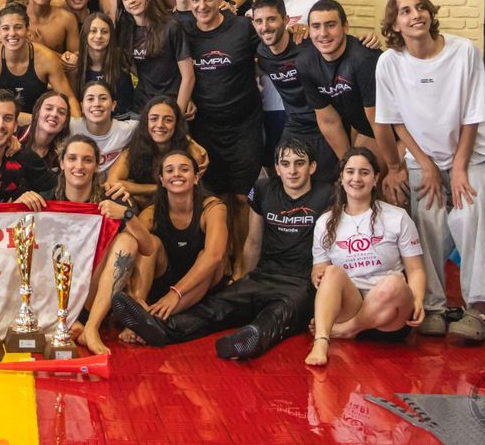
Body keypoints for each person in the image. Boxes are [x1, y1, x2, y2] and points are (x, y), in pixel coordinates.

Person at [111, 138, 334, 360]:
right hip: (263, 275)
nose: (292, 170)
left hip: (300, 282)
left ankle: (250, 340)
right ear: (276, 168)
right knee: (217, 306)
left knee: (278, 313)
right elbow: (253, 242)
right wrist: (245, 279)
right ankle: (162, 329)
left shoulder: (327, 195)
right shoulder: (262, 189)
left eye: (300, 163)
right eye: (285, 164)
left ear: (312, 167)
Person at [375, 0, 485, 342]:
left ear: (430, 14)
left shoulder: (464, 51)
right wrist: (425, 164)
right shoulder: (389, 62)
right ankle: (432, 305)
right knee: (427, 219)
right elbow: (394, 120)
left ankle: (476, 307)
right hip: (423, 154)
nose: (415, 15)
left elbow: (472, 116)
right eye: (405, 11)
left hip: (472, 150)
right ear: (395, 24)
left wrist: (458, 168)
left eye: (420, 8)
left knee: (468, 214)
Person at [87, 151, 229, 355]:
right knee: (148, 243)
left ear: (196, 177)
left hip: (200, 283)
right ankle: (138, 312)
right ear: (162, 180)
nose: (177, 174)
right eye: (170, 170)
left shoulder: (213, 207)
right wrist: (133, 295)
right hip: (164, 280)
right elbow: (132, 249)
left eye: (184, 169)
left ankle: (153, 319)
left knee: (207, 259)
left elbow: (215, 255)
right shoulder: (152, 212)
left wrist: (175, 294)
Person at [305, 148, 426, 366]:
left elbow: (415, 269)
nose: (356, 178)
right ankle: (321, 342)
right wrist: (318, 276)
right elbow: (319, 268)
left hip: (389, 315)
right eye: (350, 172)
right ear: (341, 178)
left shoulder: (397, 217)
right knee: (332, 272)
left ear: (375, 178)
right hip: (349, 306)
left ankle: (346, 330)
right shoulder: (325, 222)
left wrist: (417, 300)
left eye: (364, 172)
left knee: (394, 284)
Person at [297, 0, 408, 203]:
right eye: (316, 26)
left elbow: (379, 121)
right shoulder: (305, 62)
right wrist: (347, 165)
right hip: (369, 129)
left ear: (345, 27)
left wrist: (394, 168)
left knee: (392, 190)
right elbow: (329, 120)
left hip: (403, 129)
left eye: (331, 25)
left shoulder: (364, 58)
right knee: (354, 186)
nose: (323, 34)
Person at [183, 0, 263, 210]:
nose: (202, 5)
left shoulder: (243, 27)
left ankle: (243, 248)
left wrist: (300, 31)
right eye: (196, 0)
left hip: (244, 127)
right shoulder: (183, 32)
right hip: (205, 128)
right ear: (188, 2)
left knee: (242, 198)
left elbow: (274, 46)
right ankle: (223, 247)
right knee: (214, 199)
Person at [251, 0, 338, 183]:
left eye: (271, 19)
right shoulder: (261, 52)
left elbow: (340, 48)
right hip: (295, 124)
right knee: (284, 177)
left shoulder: (308, 44)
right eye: (259, 21)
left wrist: (369, 41)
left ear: (286, 20)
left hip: (325, 123)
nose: (265, 27)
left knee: (327, 183)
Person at [0, 4, 80, 117]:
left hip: (37, 125)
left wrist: (77, 126)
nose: (12, 33)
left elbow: (69, 99)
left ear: (28, 29)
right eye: (5, 28)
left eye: (18, 27)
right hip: (1, 122)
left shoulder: (47, 59)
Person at [106, 97, 210, 208]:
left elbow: (189, 189)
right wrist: (159, 187)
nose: (160, 125)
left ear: (176, 124)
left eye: (168, 120)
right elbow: (112, 182)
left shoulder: (192, 152)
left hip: (177, 206)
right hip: (142, 205)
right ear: (146, 122)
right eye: (154, 119)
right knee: (117, 197)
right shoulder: (134, 149)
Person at [115, 0, 194, 115]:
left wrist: (178, 114)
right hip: (140, 108)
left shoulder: (171, 27)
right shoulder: (126, 32)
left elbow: (188, 77)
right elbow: (133, 70)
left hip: (170, 105)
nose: (132, 0)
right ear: (123, 5)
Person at [65, 13, 134, 115]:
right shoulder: (76, 64)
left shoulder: (122, 59)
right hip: (85, 122)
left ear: (111, 36)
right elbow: (72, 104)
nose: (98, 36)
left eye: (104, 32)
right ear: (85, 35)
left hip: (120, 121)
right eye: (93, 31)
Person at [68, 82, 139, 173]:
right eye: (90, 99)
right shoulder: (70, 126)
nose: (97, 104)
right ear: (82, 106)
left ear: (113, 105)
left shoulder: (128, 129)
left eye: (103, 98)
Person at [19, 90, 72, 175]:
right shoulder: (15, 137)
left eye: (61, 112)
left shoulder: (61, 157)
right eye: (49, 108)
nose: (54, 114)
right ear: (37, 112)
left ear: (66, 122)